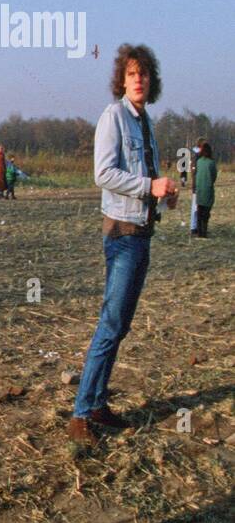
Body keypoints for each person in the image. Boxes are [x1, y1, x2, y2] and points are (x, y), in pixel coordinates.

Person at [70, 44, 177, 444]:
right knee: (111, 324)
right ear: (122, 80)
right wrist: (149, 185)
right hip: (122, 235)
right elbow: (104, 173)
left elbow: (145, 174)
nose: (138, 80)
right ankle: (80, 414)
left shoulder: (146, 123)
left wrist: (162, 191)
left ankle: (97, 402)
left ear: (152, 81)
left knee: (121, 325)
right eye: (131, 74)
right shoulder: (113, 116)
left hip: (142, 231)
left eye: (144, 74)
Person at [194, 142, 217, 238]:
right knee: (206, 214)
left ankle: (199, 232)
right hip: (207, 190)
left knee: (199, 212)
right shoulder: (211, 163)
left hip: (199, 190)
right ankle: (204, 232)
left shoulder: (198, 162)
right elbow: (214, 176)